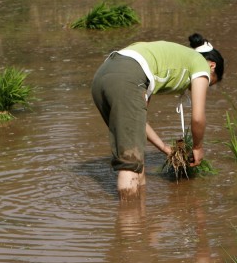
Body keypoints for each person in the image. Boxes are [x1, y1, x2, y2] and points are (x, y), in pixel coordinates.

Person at [91, 33, 224, 199]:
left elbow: (139, 124)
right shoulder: (200, 64)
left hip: (102, 76)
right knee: (130, 164)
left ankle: (142, 219)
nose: (204, 86)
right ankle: (129, 221)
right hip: (127, 76)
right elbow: (198, 117)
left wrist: (165, 149)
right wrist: (197, 147)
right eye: (209, 82)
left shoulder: (167, 61)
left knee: (137, 159)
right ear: (212, 66)